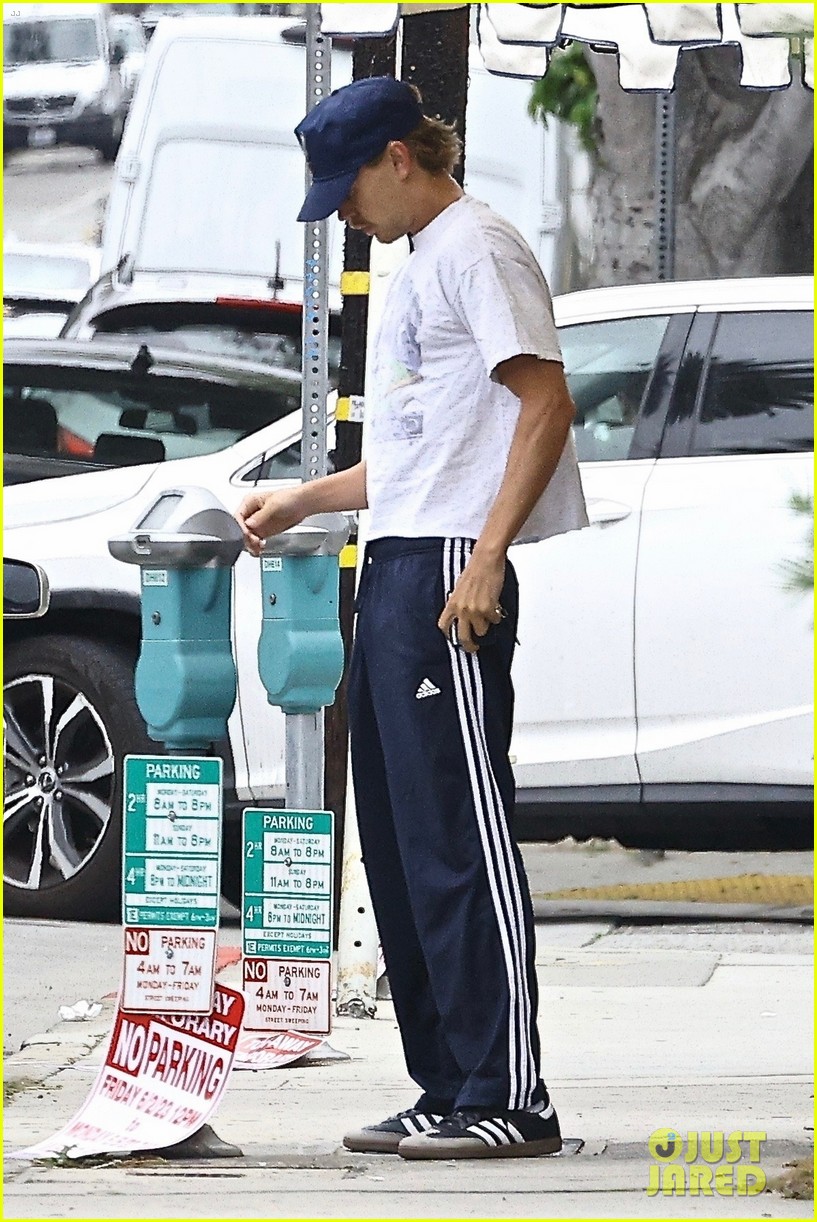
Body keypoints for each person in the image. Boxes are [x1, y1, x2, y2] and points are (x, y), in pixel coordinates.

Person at [236, 76, 588, 1161]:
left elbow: (545, 400)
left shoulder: (477, 246)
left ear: (399, 157)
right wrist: (304, 496)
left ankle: (510, 1094)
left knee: (459, 837)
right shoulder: (418, 266)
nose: (342, 213)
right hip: (396, 556)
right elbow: (420, 454)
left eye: (348, 187)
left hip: (446, 570)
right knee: (396, 841)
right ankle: (446, 1081)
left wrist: (485, 563)